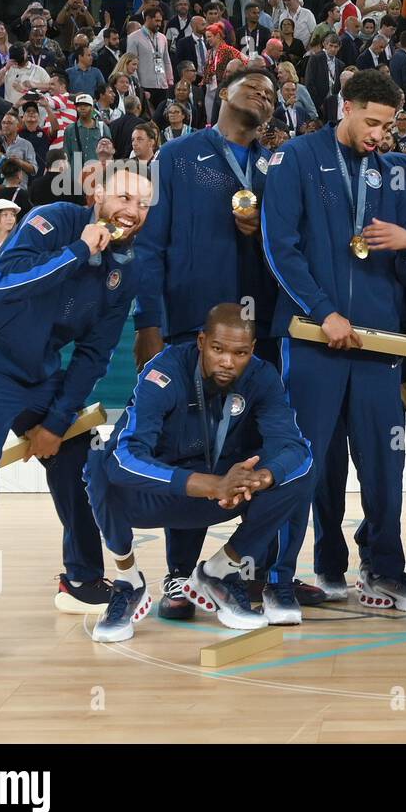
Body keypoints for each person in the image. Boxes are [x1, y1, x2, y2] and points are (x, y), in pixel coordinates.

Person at [0, 172, 151, 659]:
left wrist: (55, 421)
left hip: (35, 370)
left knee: (76, 454)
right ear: (97, 196)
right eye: (124, 196)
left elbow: (94, 353)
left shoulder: (127, 268)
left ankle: (83, 580)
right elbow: (5, 284)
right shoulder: (53, 221)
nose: (132, 210)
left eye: (144, 204)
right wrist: (76, 254)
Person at [260, 69, 406, 612]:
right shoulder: (296, 159)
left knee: (385, 464)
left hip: (378, 346)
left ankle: (383, 570)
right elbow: (279, 246)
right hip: (315, 338)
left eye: (388, 126)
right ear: (346, 106)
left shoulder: (394, 177)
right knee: (307, 461)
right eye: (372, 122)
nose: (380, 135)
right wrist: (323, 311)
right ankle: (282, 576)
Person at [133, 64, 283, 613]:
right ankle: (177, 575)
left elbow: (293, 247)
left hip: (261, 328)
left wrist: (262, 222)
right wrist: (148, 322)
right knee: (186, 446)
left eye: (271, 95)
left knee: (258, 447)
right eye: (253, 88)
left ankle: (250, 569)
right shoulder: (176, 155)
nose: (263, 98)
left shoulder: (277, 165)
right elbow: (151, 246)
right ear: (224, 93)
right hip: (191, 325)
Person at [88, 304, 314, 640]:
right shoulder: (162, 372)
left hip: (229, 495)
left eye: (239, 353)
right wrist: (210, 485)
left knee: (299, 468)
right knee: (99, 466)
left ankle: (220, 571)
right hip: (168, 495)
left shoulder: (262, 376)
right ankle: (128, 580)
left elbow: (292, 447)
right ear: (201, 341)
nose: (227, 361)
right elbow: (124, 457)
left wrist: (262, 477)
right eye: (218, 349)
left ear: (251, 351)